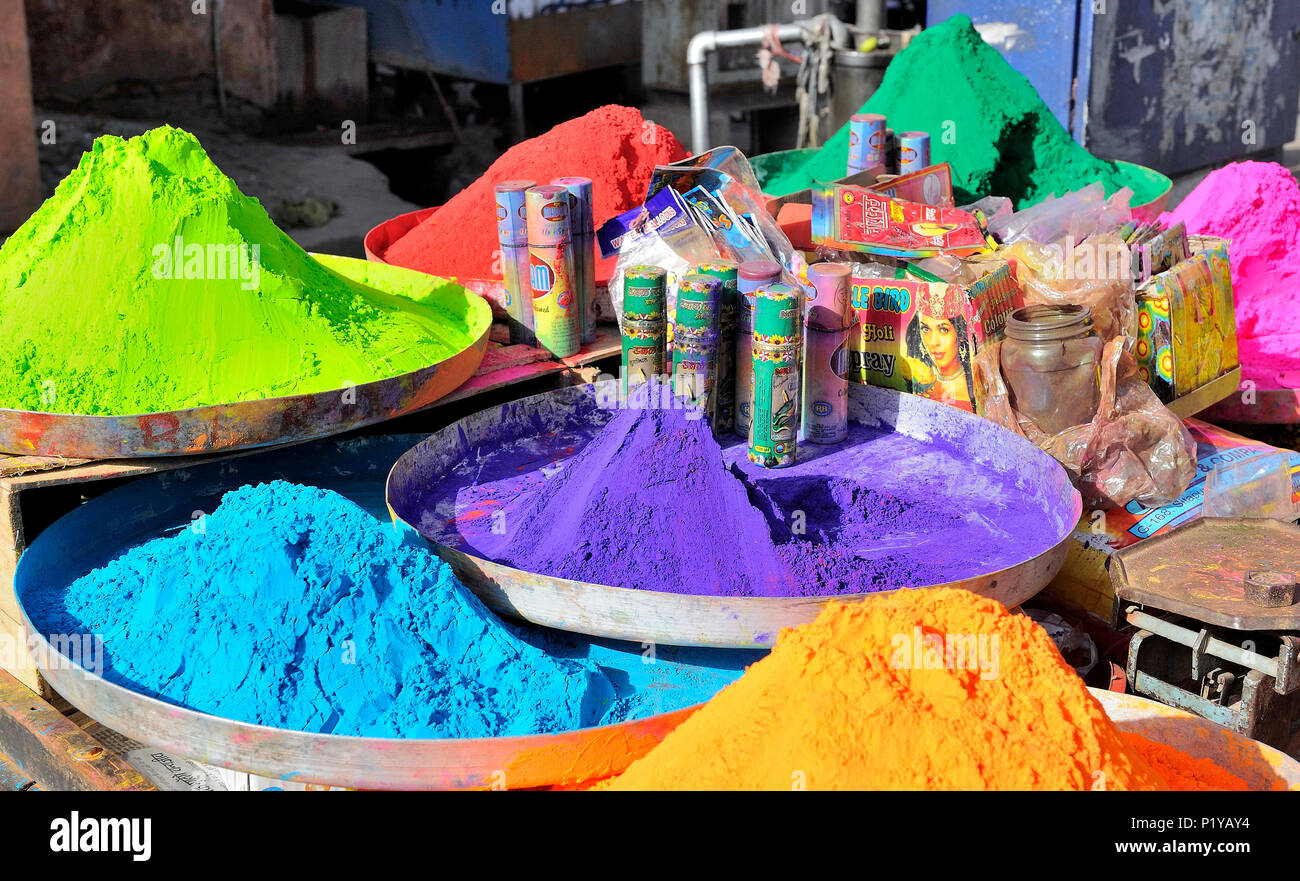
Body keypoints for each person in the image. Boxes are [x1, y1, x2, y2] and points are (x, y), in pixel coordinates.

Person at [905, 287, 975, 413]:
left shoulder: (976, 385)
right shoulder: (916, 381)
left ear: (961, 335)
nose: (933, 342)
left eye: (943, 330)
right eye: (925, 329)